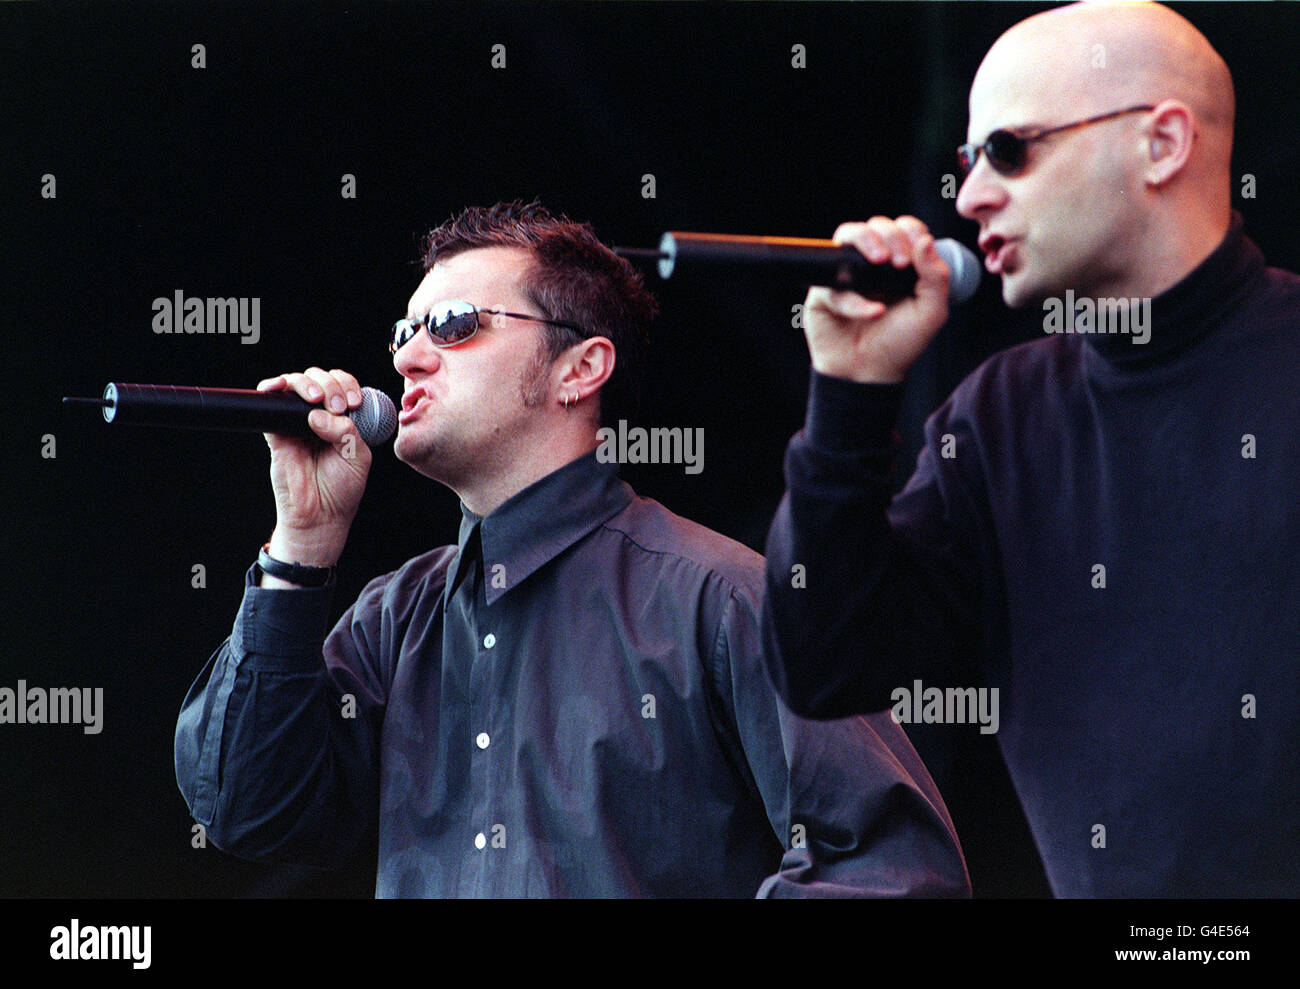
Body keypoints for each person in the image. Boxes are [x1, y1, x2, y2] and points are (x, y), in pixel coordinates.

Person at [174, 201, 969, 898]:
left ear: (580, 368)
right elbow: (249, 808)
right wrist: (301, 543)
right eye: (404, 332)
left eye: (453, 324)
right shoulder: (393, 618)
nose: (410, 356)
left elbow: (894, 866)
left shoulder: (720, 595)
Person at [762, 0, 1300, 897]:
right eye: (968, 161)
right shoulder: (1000, 417)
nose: (968, 195)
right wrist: (848, 398)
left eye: (1009, 150)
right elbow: (826, 664)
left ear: (1162, 144)